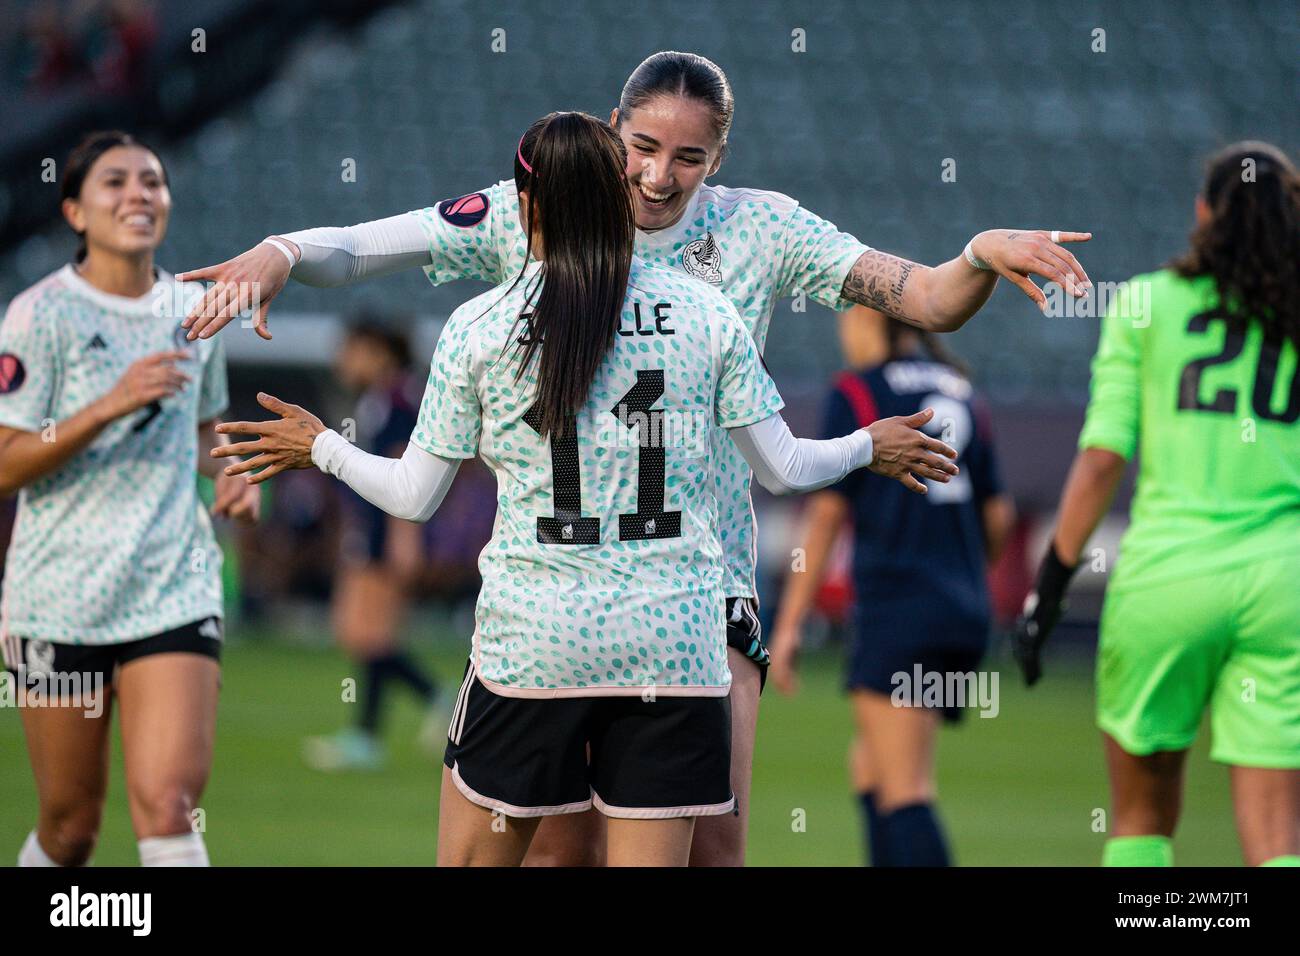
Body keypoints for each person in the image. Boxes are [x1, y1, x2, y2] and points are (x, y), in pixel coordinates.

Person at [178, 50, 1090, 865]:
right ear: (614, 131)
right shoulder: (535, 212)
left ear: (718, 158)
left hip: (702, 584)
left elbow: (925, 297)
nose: (660, 175)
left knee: (716, 841)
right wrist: (282, 250)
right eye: (644, 146)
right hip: (562, 584)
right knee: (562, 844)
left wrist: (977, 252)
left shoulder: (759, 231)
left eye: (688, 157)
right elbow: (374, 245)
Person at [1014, 141, 1300, 868]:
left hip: (1169, 577)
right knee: (1277, 839)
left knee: (1142, 822)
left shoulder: (1146, 302)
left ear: (1203, 213)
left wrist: (1048, 591)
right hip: (1284, 583)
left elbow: (1103, 456)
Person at [0, 130, 259, 867]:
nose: (139, 194)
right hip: (59, 598)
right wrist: (105, 406)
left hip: (171, 585)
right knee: (70, 827)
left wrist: (233, 469)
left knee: (170, 804)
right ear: (76, 212)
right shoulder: (38, 315)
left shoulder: (196, 309)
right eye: (115, 182)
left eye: (152, 181)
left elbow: (204, 427)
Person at [768, 304, 1014, 865]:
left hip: (902, 608)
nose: (841, 327)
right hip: (962, 608)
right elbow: (998, 519)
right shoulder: (960, 388)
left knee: (906, 788)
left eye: (848, 313)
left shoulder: (858, 392)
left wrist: (787, 625)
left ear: (874, 320)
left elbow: (825, 519)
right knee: (871, 768)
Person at [302, 319, 446, 772]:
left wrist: (406, 539)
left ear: (379, 352)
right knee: (363, 634)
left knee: (369, 634)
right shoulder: (378, 400)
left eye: (352, 350)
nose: (344, 361)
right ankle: (377, 730)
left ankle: (416, 710)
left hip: (388, 532)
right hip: (372, 530)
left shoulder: (398, 398)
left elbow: (405, 464)